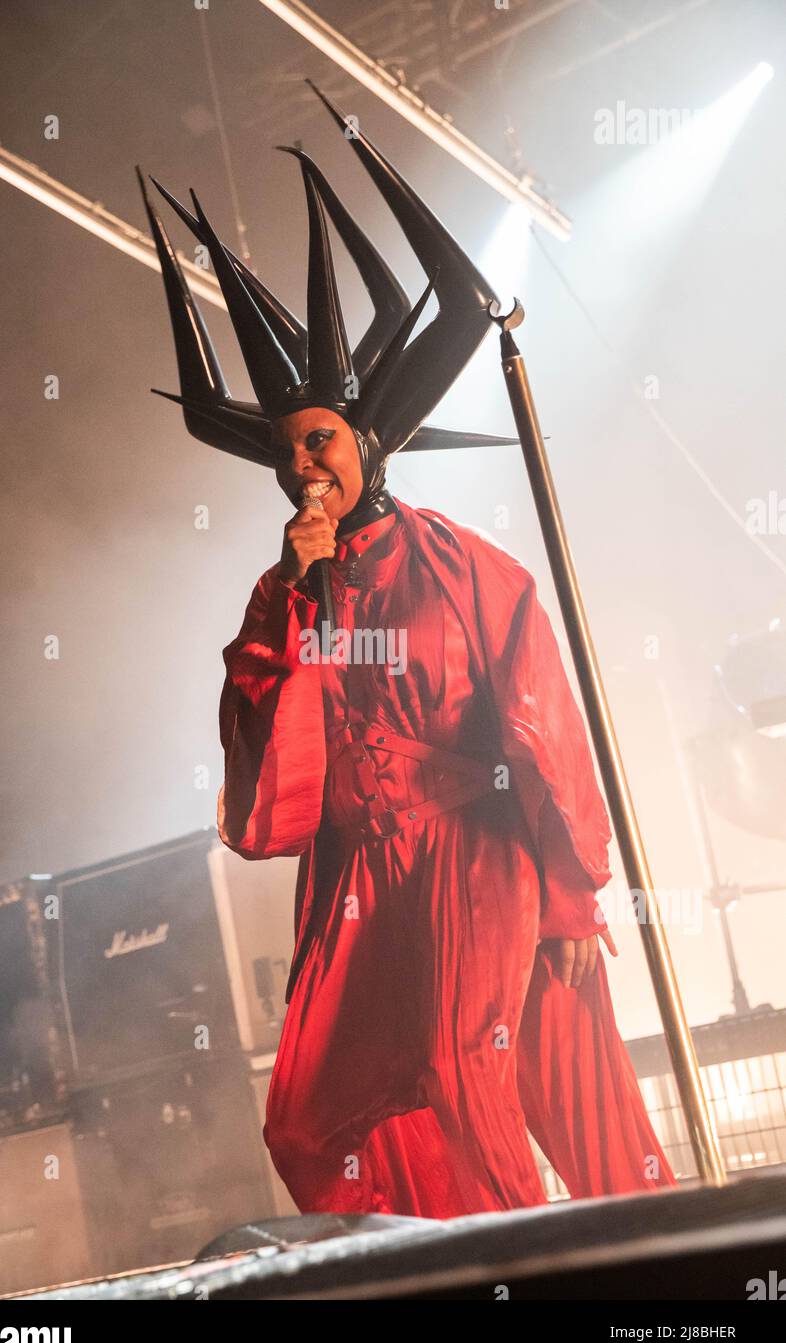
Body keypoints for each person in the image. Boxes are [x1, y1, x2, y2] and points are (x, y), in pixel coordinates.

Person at [141, 83, 676, 1216]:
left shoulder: (461, 567)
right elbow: (258, 761)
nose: (303, 471)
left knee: (464, 1061)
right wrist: (297, 594)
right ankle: (422, 1270)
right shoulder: (281, 588)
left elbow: (540, 719)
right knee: (310, 1114)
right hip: (355, 880)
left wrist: (573, 900)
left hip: (473, 851)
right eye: (288, 455)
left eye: (321, 442)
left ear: (367, 438)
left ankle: (555, 1278)